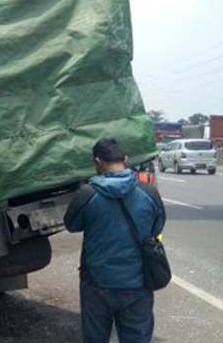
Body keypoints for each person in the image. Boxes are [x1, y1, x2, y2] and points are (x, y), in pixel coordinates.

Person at [64, 138, 165, 343]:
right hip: (138, 284)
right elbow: (156, 228)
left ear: (98, 161)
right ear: (125, 159)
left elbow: (72, 225)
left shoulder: (86, 194)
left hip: (97, 285)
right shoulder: (148, 193)